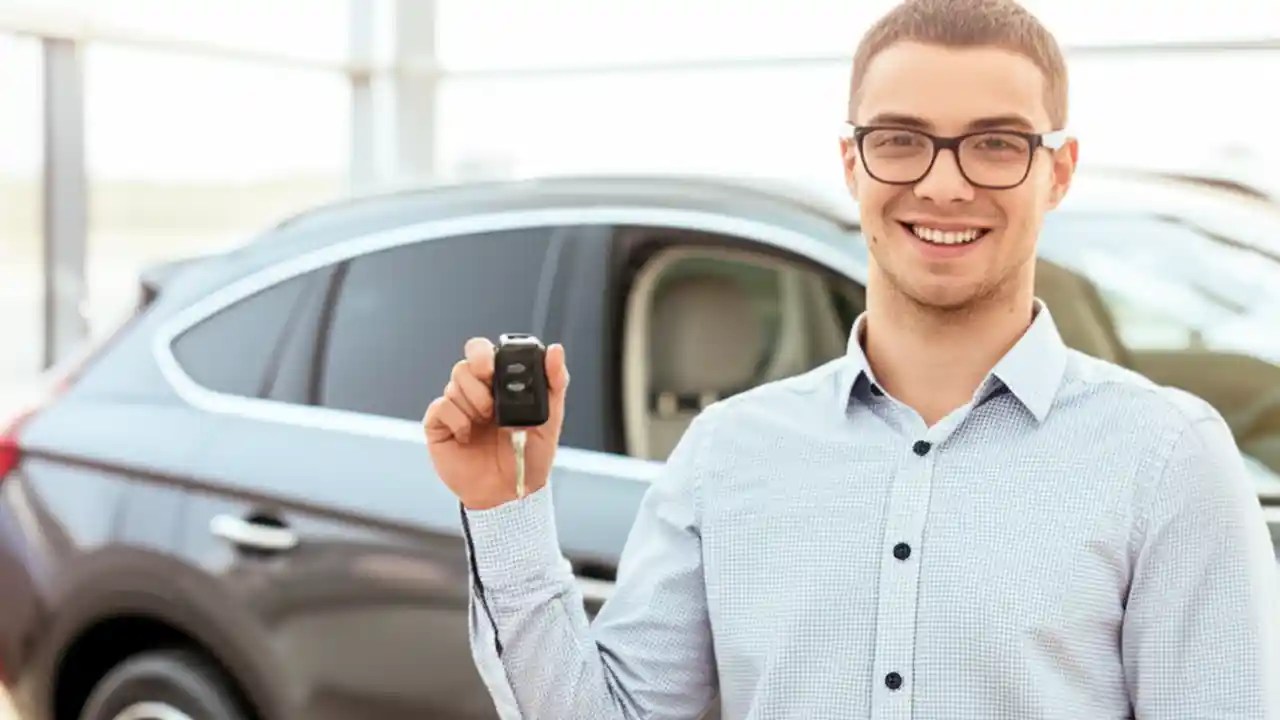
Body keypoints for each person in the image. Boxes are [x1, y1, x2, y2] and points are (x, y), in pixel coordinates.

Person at [423, 0, 1280, 716]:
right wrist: (506, 509)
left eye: (995, 143)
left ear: (1058, 173)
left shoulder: (1167, 460)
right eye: (902, 139)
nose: (945, 184)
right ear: (851, 161)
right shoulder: (728, 455)